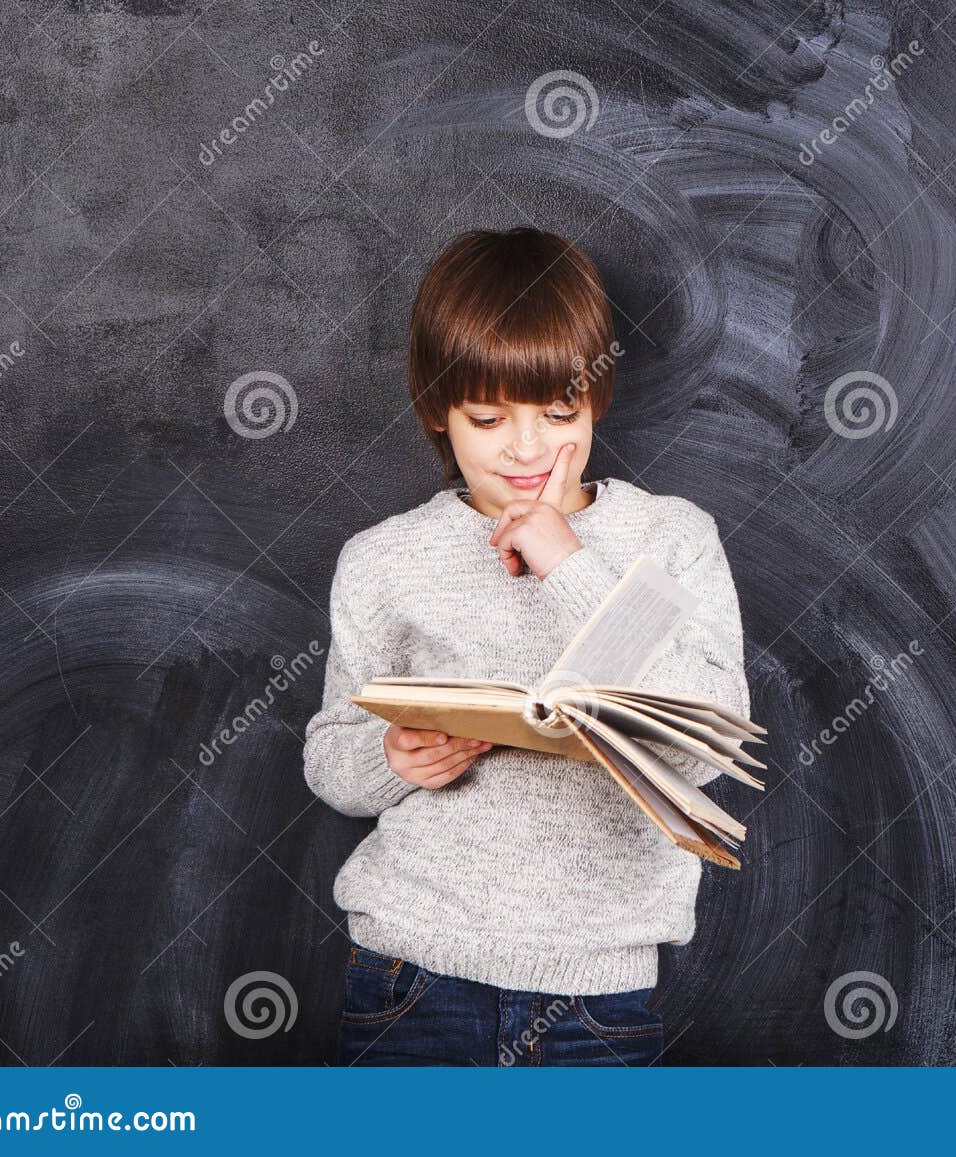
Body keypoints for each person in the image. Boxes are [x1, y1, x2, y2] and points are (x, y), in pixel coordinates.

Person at [303, 226, 751, 1066]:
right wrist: (393, 756)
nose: (526, 447)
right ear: (439, 409)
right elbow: (330, 760)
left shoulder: (669, 538)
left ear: (596, 397)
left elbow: (713, 739)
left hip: (597, 993)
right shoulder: (382, 560)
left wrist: (569, 563)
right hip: (412, 974)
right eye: (487, 416)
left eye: (558, 412)